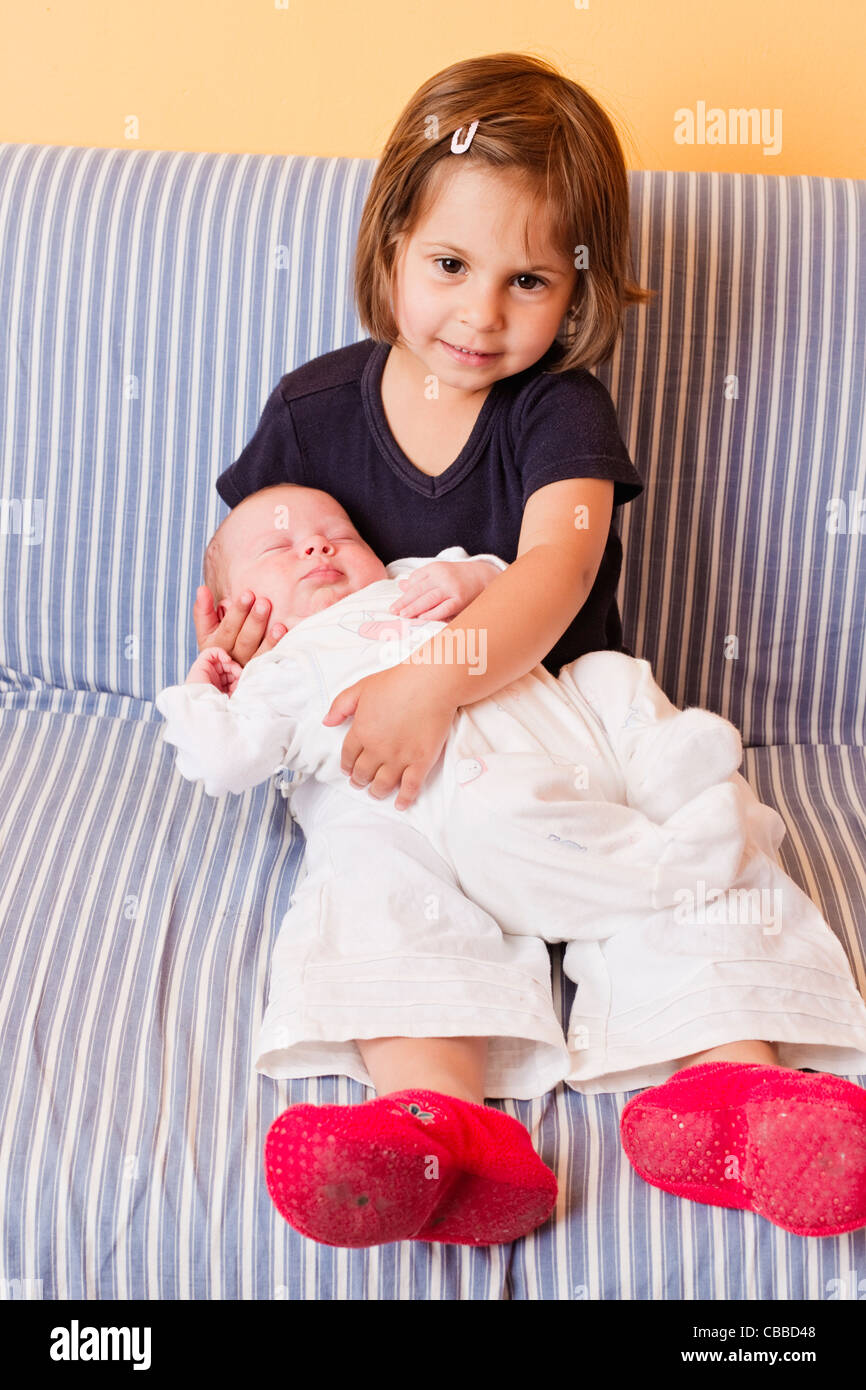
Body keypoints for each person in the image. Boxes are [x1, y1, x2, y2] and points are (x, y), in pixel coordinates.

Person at [189, 55, 866, 1248]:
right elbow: (244, 546)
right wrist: (237, 636)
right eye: (450, 265)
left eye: (528, 279)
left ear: (576, 289)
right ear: (392, 237)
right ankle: (439, 1125)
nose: (481, 314)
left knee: (689, 859)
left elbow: (556, 574)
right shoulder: (312, 407)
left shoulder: (560, 410)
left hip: (558, 726)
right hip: (398, 776)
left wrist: (433, 684)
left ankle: (743, 1090)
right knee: (378, 892)